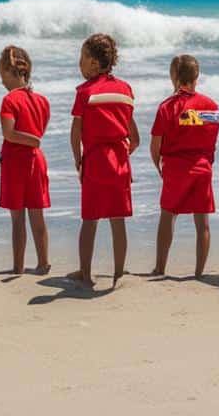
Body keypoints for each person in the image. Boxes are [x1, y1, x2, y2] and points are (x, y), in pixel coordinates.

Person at [70, 33, 139, 290]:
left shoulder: (84, 92)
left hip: (96, 162)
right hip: (120, 163)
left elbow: (75, 134)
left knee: (90, 220)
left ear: (94, 64)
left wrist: (79, 161)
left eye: (82, 58)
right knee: (117, 221)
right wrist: (121, 154)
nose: (79, 63)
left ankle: (86, 274)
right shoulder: (125, 90)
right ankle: (119, 274)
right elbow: (136, 138)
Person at [150, 54, 219, 278]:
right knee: (202, 222)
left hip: (175, 167)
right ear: (197, 76)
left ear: (174, 77)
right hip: (202, 167)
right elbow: (218, 131)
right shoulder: (210, 106)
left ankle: (160, 267)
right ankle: (199, 272)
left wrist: (159, 167)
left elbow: (156, 145)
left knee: (167, 215)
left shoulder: (167, 107)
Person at [0, 45, 51, 275]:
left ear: (10, 72)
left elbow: (9, 134)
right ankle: (42, 263)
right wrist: (35, 141)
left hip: (15, 163)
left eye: (2, 75)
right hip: (36, 162)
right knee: (37, 217)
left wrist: (32, 140)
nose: (1, 81)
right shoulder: (42, 101)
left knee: (18, 219)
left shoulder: (9, 101)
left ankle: (18, 267)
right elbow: (40, 130)